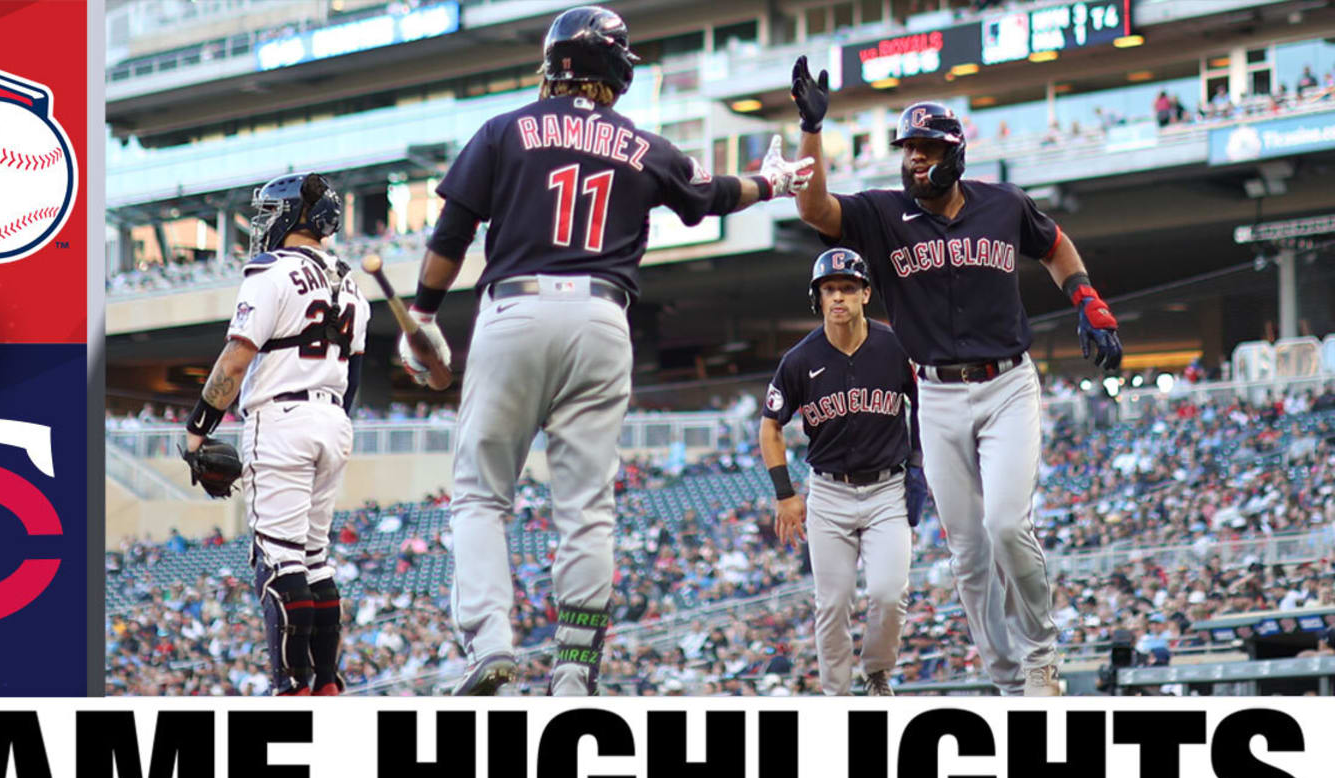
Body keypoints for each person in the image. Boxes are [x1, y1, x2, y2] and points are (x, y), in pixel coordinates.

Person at [399, 5, 815, 696]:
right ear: (617, 73)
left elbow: (452, 232)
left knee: (480, 496)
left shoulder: (504, 129)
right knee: (586, 507)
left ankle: (491, 643)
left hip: (516, 308)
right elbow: (712, 194)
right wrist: (772, 182)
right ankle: (573, 670)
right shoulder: (641, 144)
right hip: (600, 318)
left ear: (552, 65)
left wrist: (423, 313)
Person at [789, 58, 1123, 696]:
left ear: (955, 153)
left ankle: (1040, 656)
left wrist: (1086, 298)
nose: (914, 158)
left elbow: (1054, 244)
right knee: (968, 554)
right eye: (907, 149)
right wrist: (811, 131)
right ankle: (1009, 683)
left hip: (1006, 384)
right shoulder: (883, 215)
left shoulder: (1003, 204)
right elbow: (815, 209)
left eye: (926, 148)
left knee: (1006, 526)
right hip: (936, 395)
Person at [182, 172, 371, 696]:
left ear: (294, 215)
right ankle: (326, 681)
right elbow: (353, 378)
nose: (263, 223)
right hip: (334, 420)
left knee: (279, 560)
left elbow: (235, 359)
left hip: (282, 418)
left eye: (269, 212)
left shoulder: (273, 271)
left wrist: (197, 431)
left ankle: (291, 688)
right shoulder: (352, 284)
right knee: (315, 559)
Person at [759, 248, 925, 696]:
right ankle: (837, 695)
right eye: (829, 289)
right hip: (829, 493)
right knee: (832, 604)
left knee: (889, 592)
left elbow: (926, 403)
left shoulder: (896, 346)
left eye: (848, 288)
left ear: (865, 294)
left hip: (887, 490)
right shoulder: (799, 359)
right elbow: (770, 426)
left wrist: (918, 465)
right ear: (817, 298)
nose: (838, 297)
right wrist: (784, 493)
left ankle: (877, 671)